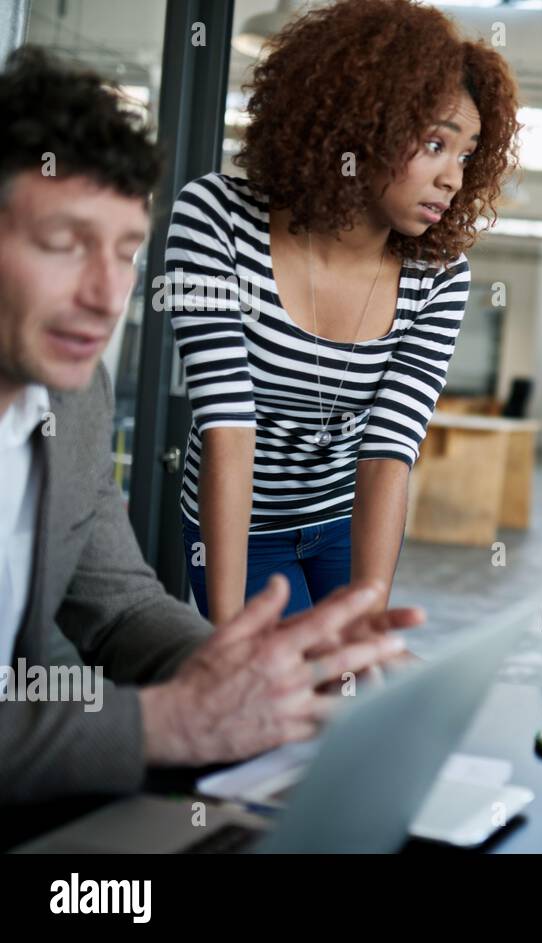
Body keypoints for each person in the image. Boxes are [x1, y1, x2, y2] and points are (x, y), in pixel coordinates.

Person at [0, 47, 415, 806]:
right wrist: (156, 724)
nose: (106, 295)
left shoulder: (73, 404)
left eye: (127, 253)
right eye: (64, 245)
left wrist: (257, 676)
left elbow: (121, 606)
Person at [167, 0, 520, 621]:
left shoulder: (438, 276)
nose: (453, 180)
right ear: (362, 124)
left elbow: (390, 449)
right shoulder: (216, 217)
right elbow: (227, 425)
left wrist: (363, 624)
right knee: (269, 694)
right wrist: (226, 640)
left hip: (342, 521)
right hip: (235, 524)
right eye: (435, 143)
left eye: (466, 155)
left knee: (344, 694)